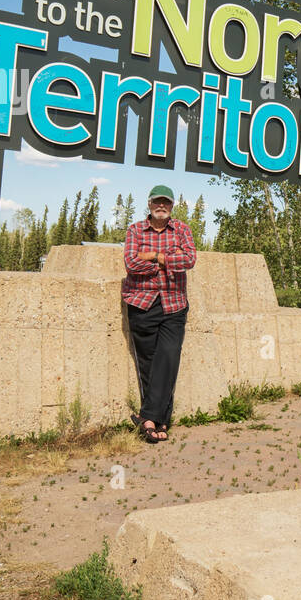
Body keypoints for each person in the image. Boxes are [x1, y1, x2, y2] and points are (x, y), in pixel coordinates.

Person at [122, 185, 196, 442]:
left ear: (172, 206)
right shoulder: (134, 230)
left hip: (174, 304)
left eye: (166, 203)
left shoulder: (183, 229)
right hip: (142, 304)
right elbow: (131, 262)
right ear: (150, 204)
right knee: (148, 363)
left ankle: (147, 418)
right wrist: (167, 259)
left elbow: (189, 260)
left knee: (169, 358)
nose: (161, 206)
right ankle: (159, 421)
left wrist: (152, 256)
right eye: (157, 202)